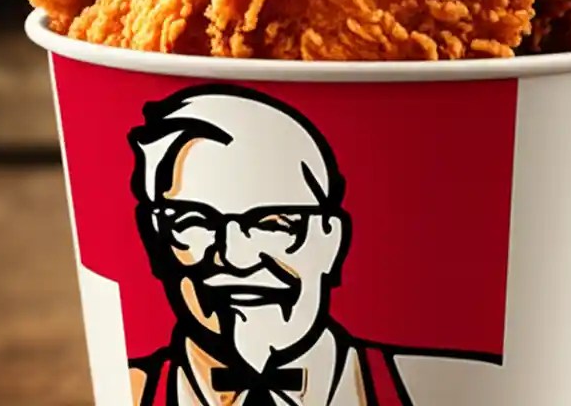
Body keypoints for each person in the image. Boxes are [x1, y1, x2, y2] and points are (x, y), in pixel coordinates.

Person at [126, 85, 413, 406]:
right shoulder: (125, 389)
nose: (236, 256)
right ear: (155, 240)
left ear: (331, 240)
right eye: (195, 223)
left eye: (274, 224)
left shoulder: (439, 384)